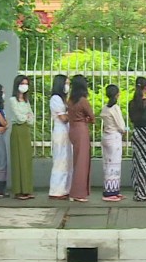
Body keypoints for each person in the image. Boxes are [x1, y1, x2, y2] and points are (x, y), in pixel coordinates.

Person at [67, 75, 94, 203]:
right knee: (82, 162)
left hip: (72, 130)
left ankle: (75, 192)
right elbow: (92, 117)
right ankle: (78, 193)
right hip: (81, 130)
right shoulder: (83, 101)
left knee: (77, 161)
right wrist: (87, 120)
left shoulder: (70, 100)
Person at [9, 75, 35, 199]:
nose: (25, 86)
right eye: (22, 83)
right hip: (17, 130)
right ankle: (19, 190)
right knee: (18, 159)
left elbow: (32, 118)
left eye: (26, 83)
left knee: (26, 159)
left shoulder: (26, 101)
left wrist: (27, 117)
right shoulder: (13, 100)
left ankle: (27, 189)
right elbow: (19, 118)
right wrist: (26, 117)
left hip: (26, 131)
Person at [100, 84, 126, 202]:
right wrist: (125, 131)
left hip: (106, 136)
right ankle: (111, 192)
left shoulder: (105, 108)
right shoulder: (115, 108)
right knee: (114, 164)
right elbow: (121, 126)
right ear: (117, 94)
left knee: (107, 164)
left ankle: (110, 190)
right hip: (114, 137)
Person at [48, 75, 72, 199]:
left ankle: (65, 188)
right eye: (66, 83)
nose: (68, 86)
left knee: (67, 160)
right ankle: (56, 190)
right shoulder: (55, 98)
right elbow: (63, 118)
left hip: (66, 131)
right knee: (60, 161)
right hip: (60, 131)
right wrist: (71, 115)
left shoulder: (64, 99)